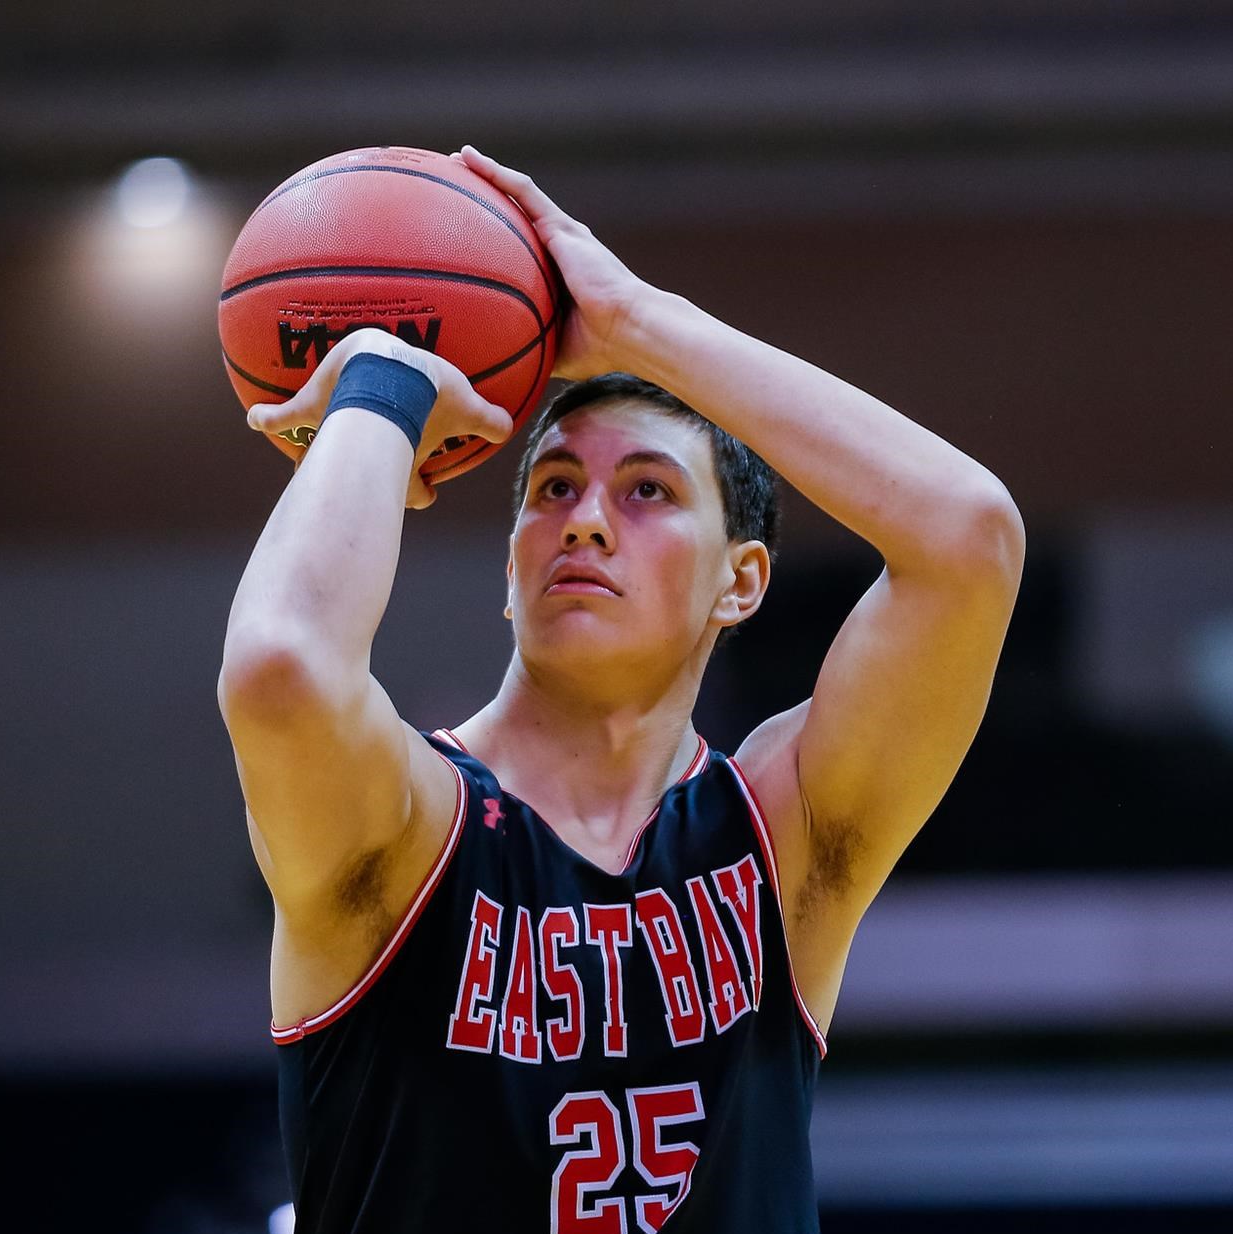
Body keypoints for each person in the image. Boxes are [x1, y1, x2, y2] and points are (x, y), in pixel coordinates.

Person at [218, 145, 1025, 1233]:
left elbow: (970, 538)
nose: (587, 518)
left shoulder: (784, 837)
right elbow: (280, 668)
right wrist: (382, 387)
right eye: (554, 487)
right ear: (511, 568)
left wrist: (638, 321)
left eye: (647, 489)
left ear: (740, 582)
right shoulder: (406, 828)